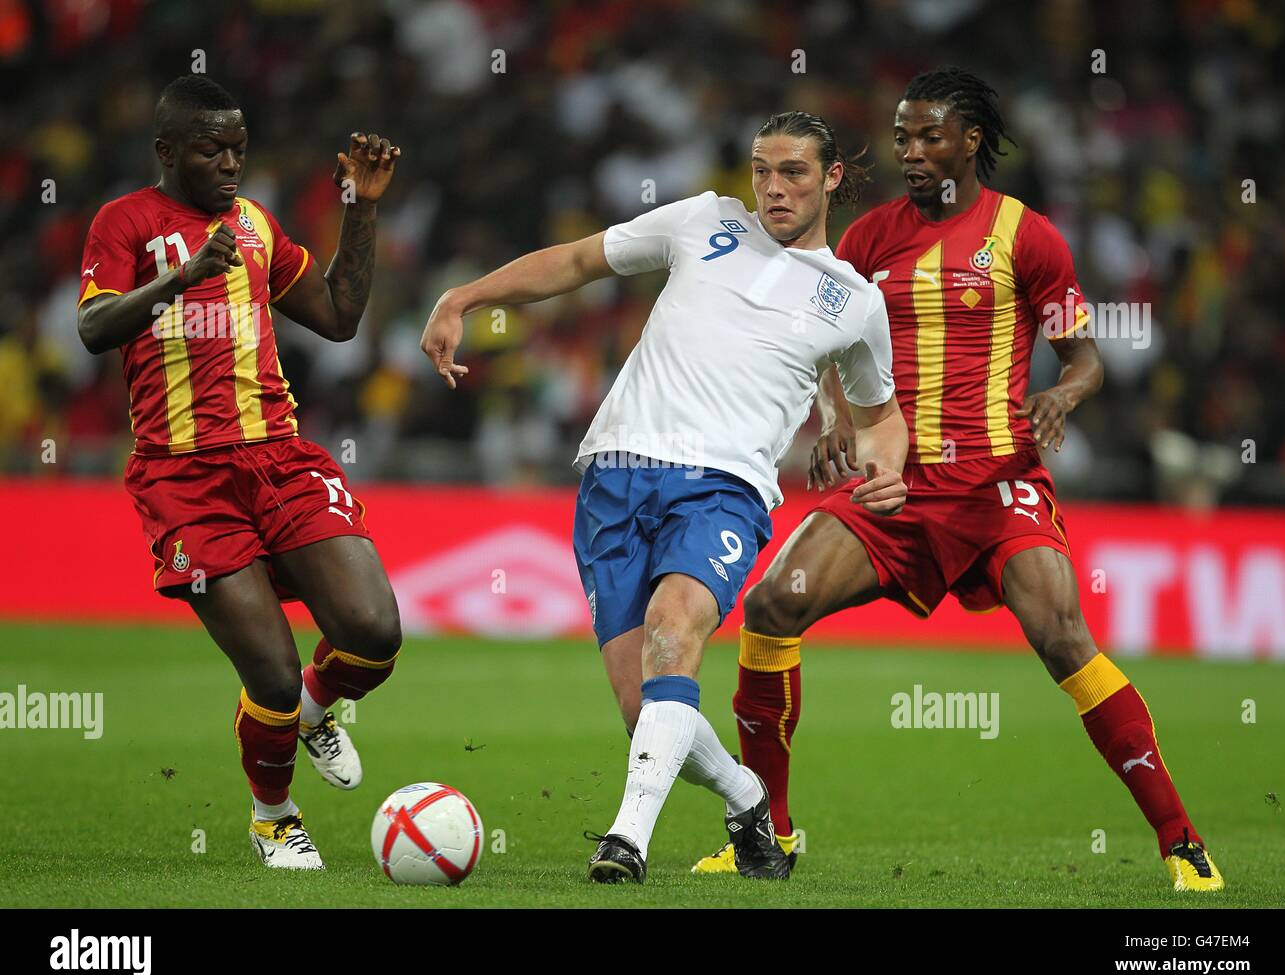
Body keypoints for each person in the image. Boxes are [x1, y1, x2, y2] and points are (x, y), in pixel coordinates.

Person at [693, 68, 1223, 893]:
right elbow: (824, 345)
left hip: (994, 485)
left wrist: (1062, 394)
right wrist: (835, 416)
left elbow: (1085, 358)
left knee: (1063, 639)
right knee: (771, 604)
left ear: (970, 141)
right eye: (901, 137)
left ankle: (1182, 843)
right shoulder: (869, 239)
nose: (910, 152)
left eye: (927, 136)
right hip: (894, 485)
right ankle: (769, 837)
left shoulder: (1028, 237)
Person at [421, 111, 905, 883]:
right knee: (642, 707)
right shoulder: (703, 220)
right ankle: (747, 798)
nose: (775, 187)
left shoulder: (854, 301)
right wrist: (465, 296)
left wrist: (887, 469)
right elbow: (578, 260)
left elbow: (880, 416)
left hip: (724, 487)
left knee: (674, 630)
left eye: (794, 172)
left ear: (832, 177)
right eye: (763, 170)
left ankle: (626, 839)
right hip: (614, 474)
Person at [76, 74, 403, 869]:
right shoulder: (124, 222)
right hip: (183, 476)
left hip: (279, 456)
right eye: (210, 150)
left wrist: (360, 207)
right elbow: (93, 325)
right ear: (167, 152)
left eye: (238, 149)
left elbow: (339, 316)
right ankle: (274, 817)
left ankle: (317, 711)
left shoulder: (255, 223)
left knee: (373, 633)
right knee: (272, 673)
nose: (229, 164)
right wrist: (179, 278)